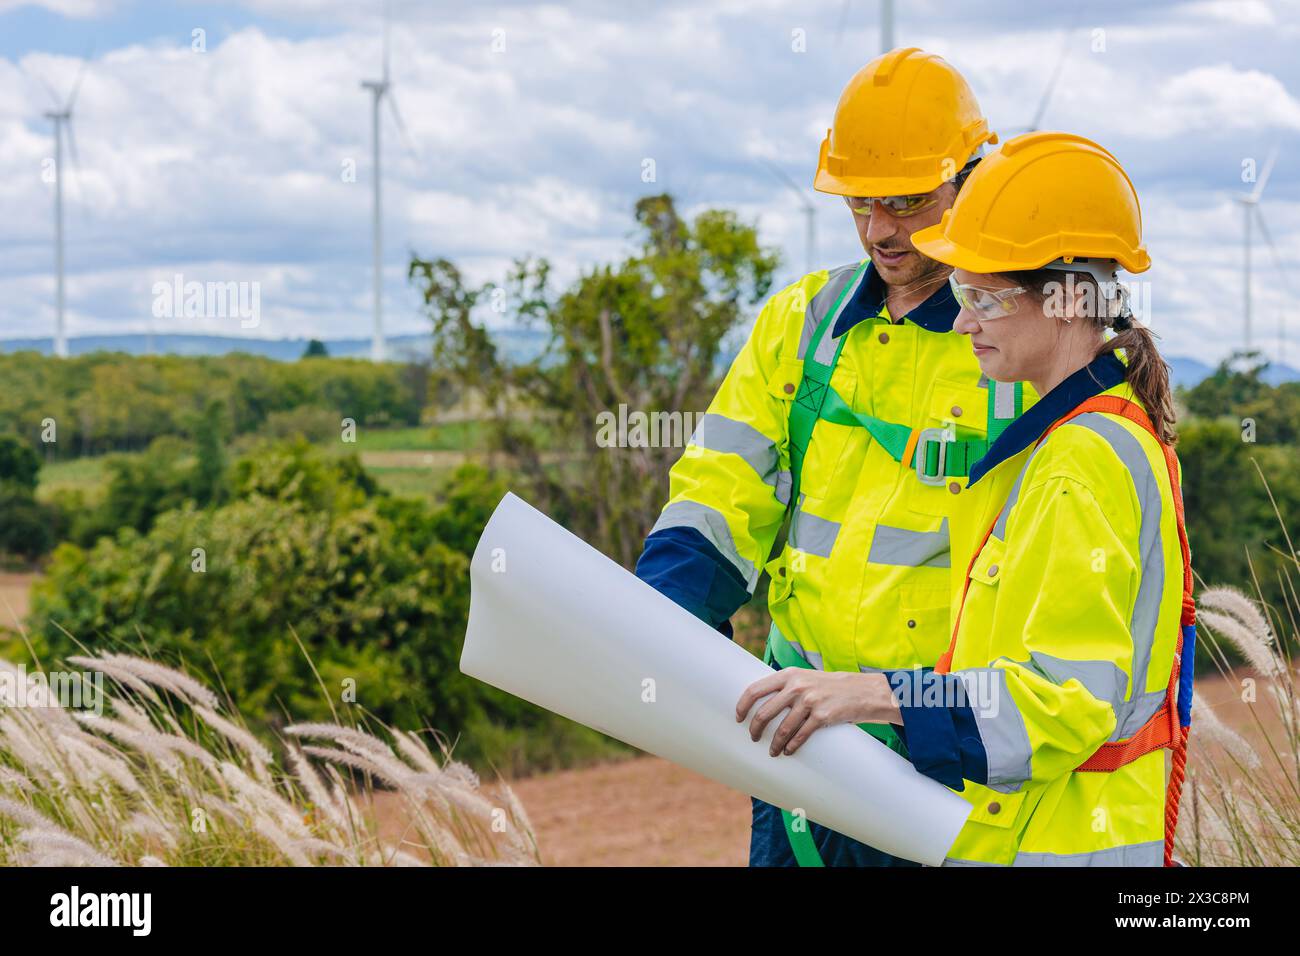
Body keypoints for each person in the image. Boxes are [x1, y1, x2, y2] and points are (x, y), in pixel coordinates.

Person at [738, 131, 1195, 866]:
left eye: (983, 297)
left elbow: (1056, 703)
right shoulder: (1079, 436)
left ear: (1070, 299)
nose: (959, 321)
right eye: (959, 292)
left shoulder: (1079, 463)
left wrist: (873, 696)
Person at [635, 48, 1031, 867]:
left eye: (907, 201)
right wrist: (644, 630)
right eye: (860, 203)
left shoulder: (1020, 344)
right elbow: (718, 493)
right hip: (800, 751)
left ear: (976, 177)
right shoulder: (801, 324)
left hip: (947, 761)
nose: (880, 228)